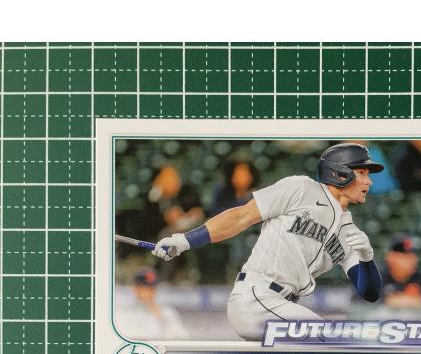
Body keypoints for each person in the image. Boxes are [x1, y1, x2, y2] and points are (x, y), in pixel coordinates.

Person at [152, 143, 384, 341]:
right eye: (362, 173)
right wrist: (185, 240)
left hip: (282, 305)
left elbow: (370, 292)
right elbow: (241, 216)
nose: (369, 182)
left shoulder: (350, 232)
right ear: (340, 173)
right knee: (329, 339)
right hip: (256, 298)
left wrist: (367, 258)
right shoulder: (301, 188)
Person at [115, 268, 188, 340]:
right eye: (146, 287)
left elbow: (182, 336)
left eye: (153, 287)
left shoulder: (166, 311)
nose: (151, 292)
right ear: (136, 288)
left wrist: (162, 318)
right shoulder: (124, 311)